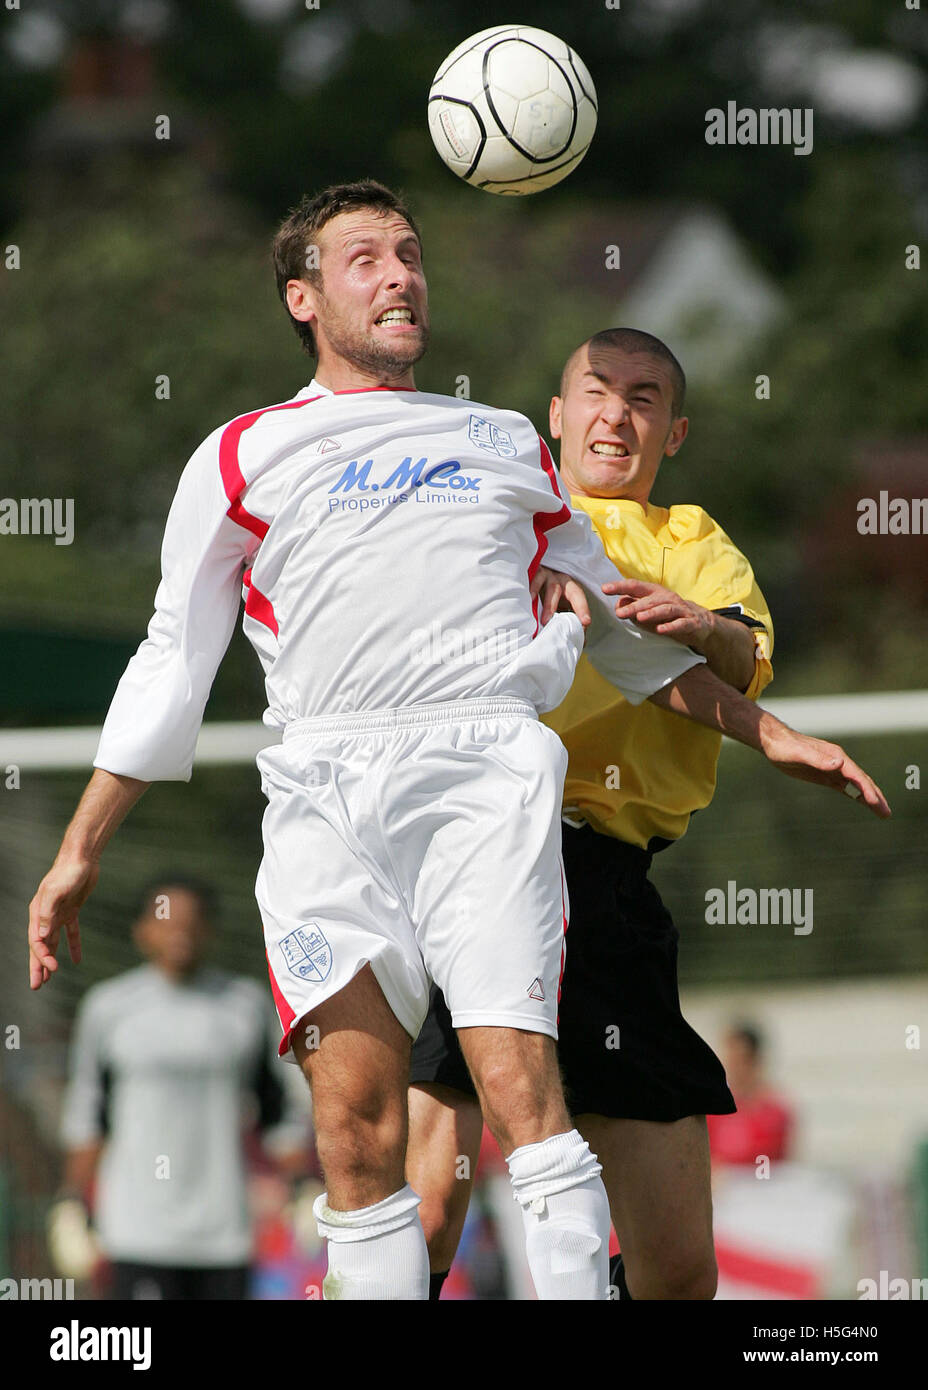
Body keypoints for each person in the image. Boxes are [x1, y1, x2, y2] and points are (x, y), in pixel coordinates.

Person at [27, 180, 889, 1303]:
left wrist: (769, 730)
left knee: (522, 1089)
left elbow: (623, 641)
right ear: (303, 297)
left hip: (485, 776)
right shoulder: (238, 455)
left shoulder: (498, 443)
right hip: (324, 790)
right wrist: (82, 849)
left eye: (410, 254)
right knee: (352, 1131)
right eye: (365, 259)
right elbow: (171, 659)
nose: (398, 275)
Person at [404, 327, 824, 1301]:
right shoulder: (504, 512)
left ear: (671, 432)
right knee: (425, 1211)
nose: (616, 413)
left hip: (610, 890)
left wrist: (706, 626)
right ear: (556, 415)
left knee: (678, 1273)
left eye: (643, 399)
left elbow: (746, 661)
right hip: (482, 854)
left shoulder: (691, 540)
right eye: (598, 390)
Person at [50, 873, 311, 1300]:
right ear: (141, 931)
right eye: (167, 918)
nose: (180, 931)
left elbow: (277, 1112)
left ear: (210, 931)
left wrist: (302, 1186)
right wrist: (72, 1202)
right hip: (136, 1234)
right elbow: (88, 1113)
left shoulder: (245, 1006)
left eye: (192, 921)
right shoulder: (109, 1008)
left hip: (225, 1234)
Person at [707, 1023, 795, 1167]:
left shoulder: (775, 1110)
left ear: (755, 1060)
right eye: (731, 1059)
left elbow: (774, 1160)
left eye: (741, 1060)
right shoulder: (713, 1111)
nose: (735, 1067)